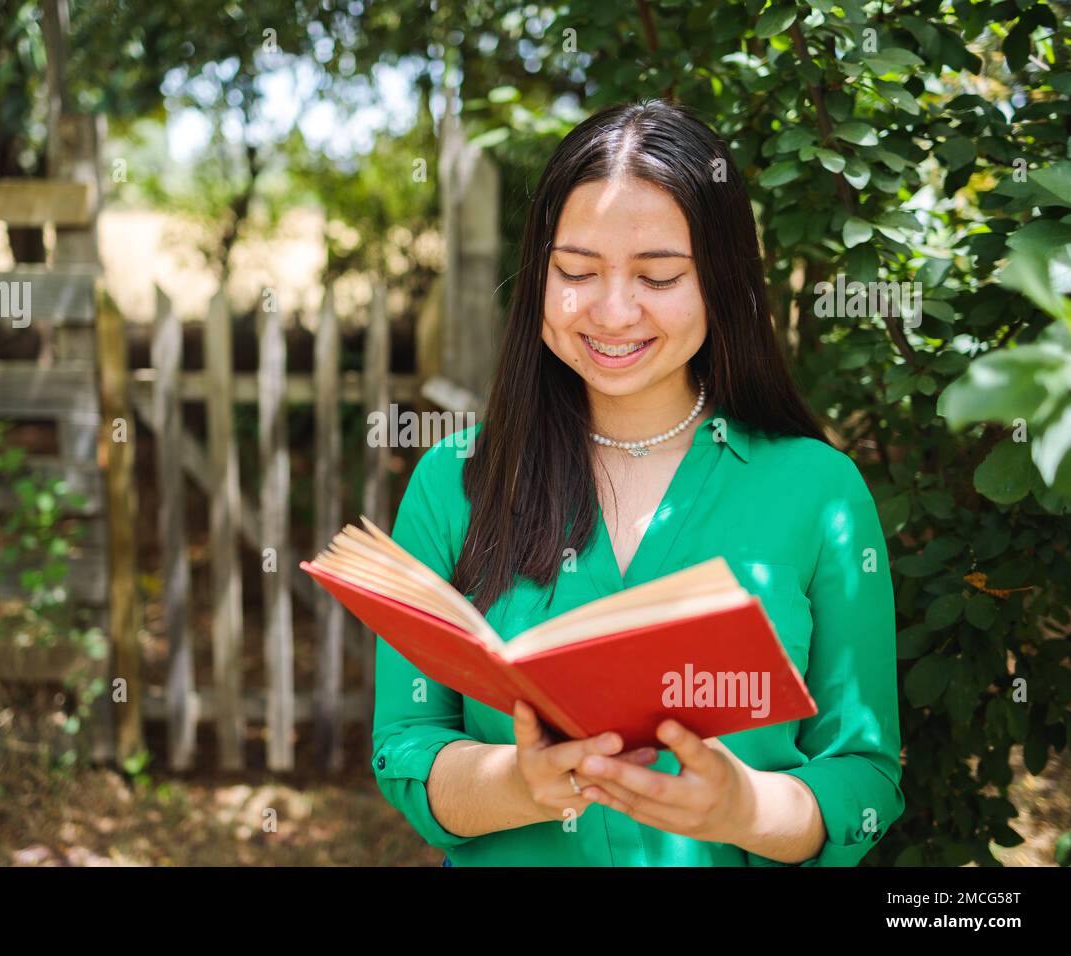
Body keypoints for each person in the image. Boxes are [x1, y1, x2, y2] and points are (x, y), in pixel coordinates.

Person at [371, 99, 904, 866]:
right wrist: (523, 783)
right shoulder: (452, 484)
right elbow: (408, 746)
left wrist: (744, 810)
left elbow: (866, 773)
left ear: (721, 283)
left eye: (658, 276)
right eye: (576, 272)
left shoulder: (820, 491)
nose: (613, 312)